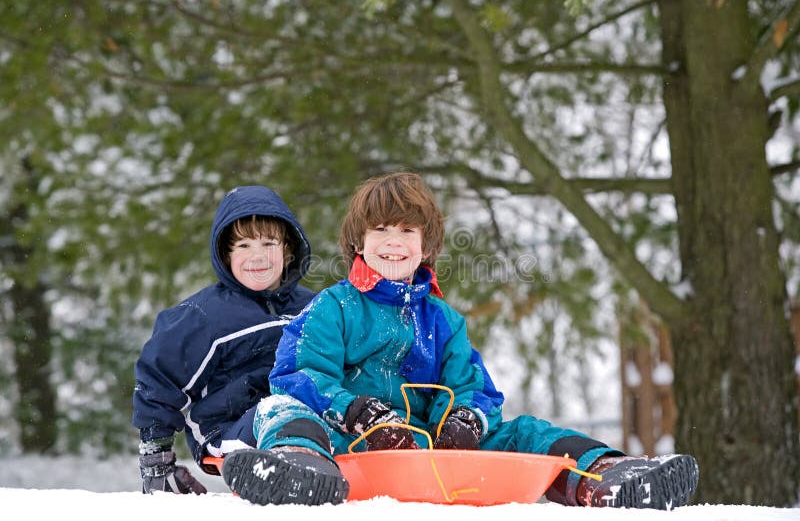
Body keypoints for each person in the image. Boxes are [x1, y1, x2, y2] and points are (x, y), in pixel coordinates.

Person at [221, 172, 699, 509]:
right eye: (380, 230)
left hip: (429, 448)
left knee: (525, 430)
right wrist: (355, 410)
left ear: (426, 245)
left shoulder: (443, 319)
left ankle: (609, 476)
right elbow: (300, 374)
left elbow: (474, 386)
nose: (394, 241)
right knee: (277, 408)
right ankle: (299, 470)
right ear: (357, 242)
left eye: (407, 230)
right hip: (351, 443)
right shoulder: (334, 307)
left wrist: (466, 415)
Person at [132, 185, 315, 495]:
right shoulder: (205, 316)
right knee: (280, 410)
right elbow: (160, 379)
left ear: (287, 250)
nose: (257, 256)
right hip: (229, 428)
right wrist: (157, 463)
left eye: (269, 243)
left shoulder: (314, 308)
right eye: (243, 245)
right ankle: (275, 476)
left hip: (307, 420)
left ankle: (329, 474)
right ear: (226, 255)